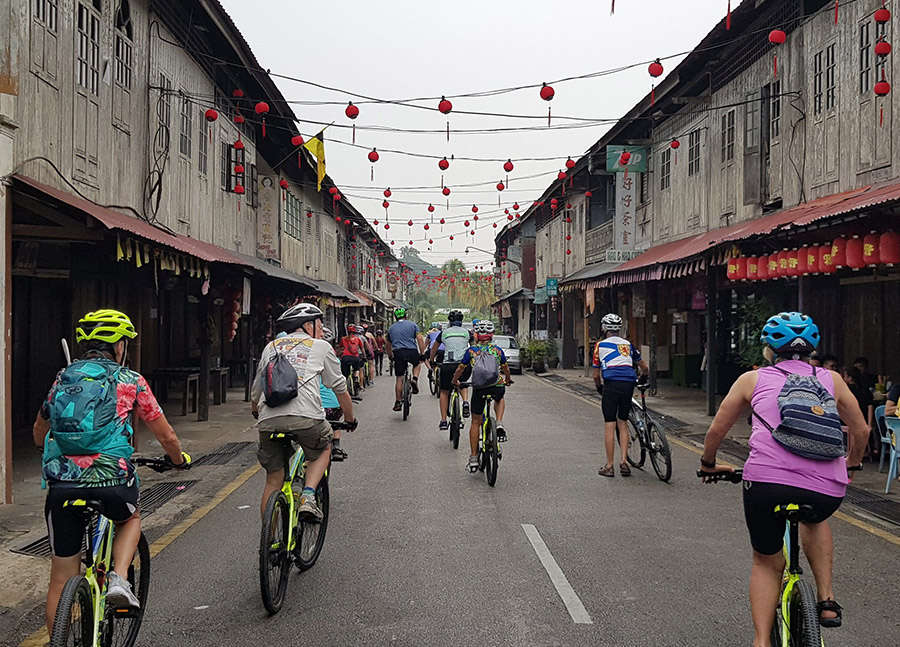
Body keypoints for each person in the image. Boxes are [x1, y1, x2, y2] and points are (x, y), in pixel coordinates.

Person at [699, 312, 868, 646]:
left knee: (765, 561)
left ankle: (761, 641)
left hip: (765, 482)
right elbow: (861, 430)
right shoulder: (832, 380)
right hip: (826, 487)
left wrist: (708, 464)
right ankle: (827, 599)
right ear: (812, 349)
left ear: (768, 349)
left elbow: (717, 428)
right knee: (815, 519)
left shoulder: (752, 380)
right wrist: (850, 464)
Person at [32, 309, 190, 631]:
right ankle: (118, 577)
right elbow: (166, 435)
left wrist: (49, 454)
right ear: (119, 345)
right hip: (113, 481)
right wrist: (178, 459)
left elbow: (39, 428)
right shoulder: (131, 380)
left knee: (61, 580)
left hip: (62, 484)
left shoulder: (64, 377)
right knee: (130, 517)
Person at [251, 304, 356, 522]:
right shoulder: (321, 346)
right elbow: (339, 388)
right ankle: (308, 496)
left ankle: (270, 545)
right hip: (307, 418)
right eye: (319, 324)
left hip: (268, 420)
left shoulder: (271, 346)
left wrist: (256, 412)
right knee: (324, 448)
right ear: (308, 325)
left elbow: (256, 391)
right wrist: (350, 418)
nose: (322, 328)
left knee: (273, 480)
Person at [592, 313, 648, 478]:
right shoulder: (628, 345)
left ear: (604, 328)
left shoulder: (600, 346)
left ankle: (610, 466)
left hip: (611, 384)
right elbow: (644, 366)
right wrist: (642, 378)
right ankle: (624, 462)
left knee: (610, 424)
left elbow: (596, 375)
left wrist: (599, 388)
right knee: (622, 421)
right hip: (628, 384)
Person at [452, 320, 513, 472]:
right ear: (491, 335)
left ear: (477, 335)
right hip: (496, 385)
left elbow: (461, 367)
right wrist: (507, 379)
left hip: (479, 389)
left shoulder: (471, 351)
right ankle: (498, 422)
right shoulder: (498, 350)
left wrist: (455, 380)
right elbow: (505, 368)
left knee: (475, 422)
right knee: (499, 396)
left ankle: (473, 458)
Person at [430, 310, 474, 430]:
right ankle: (465, 402)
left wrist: (431, 360)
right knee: (463, 384)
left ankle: (443, 420)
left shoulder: (443, 333)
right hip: (464, 365)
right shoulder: (467, 333)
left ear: (450, 321)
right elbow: (474, 348)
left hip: (448, 365)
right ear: (461, 322)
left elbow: (434, 348)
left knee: (444, 391)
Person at [386, 307, 427, 412]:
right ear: (405, 315)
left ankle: (398, 402)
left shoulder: (391, 328)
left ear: (395, 317)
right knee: (417, 364)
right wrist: (422, 353)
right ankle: (415, 378)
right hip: (411, 351)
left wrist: (390, 355)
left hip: (398, 352)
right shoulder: (413, 325)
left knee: (399, 378)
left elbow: (388, 344)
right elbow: (420, 339)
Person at [320, 326, 348, 461]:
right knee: (335, 421)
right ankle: (336, 446)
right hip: (332, 405)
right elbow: (339, 386)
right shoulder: (333, 358)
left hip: (308, 407)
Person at [337, 324, 365, 399]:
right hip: (355, 358)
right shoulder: (357, 339)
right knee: (357, 369)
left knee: (344, 375)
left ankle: (345, 387)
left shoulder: (343, 339)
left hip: (345, 357)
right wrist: (364, 357)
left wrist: (336, 355)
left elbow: (339, 348)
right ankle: (356, 378)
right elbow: (362, 349)